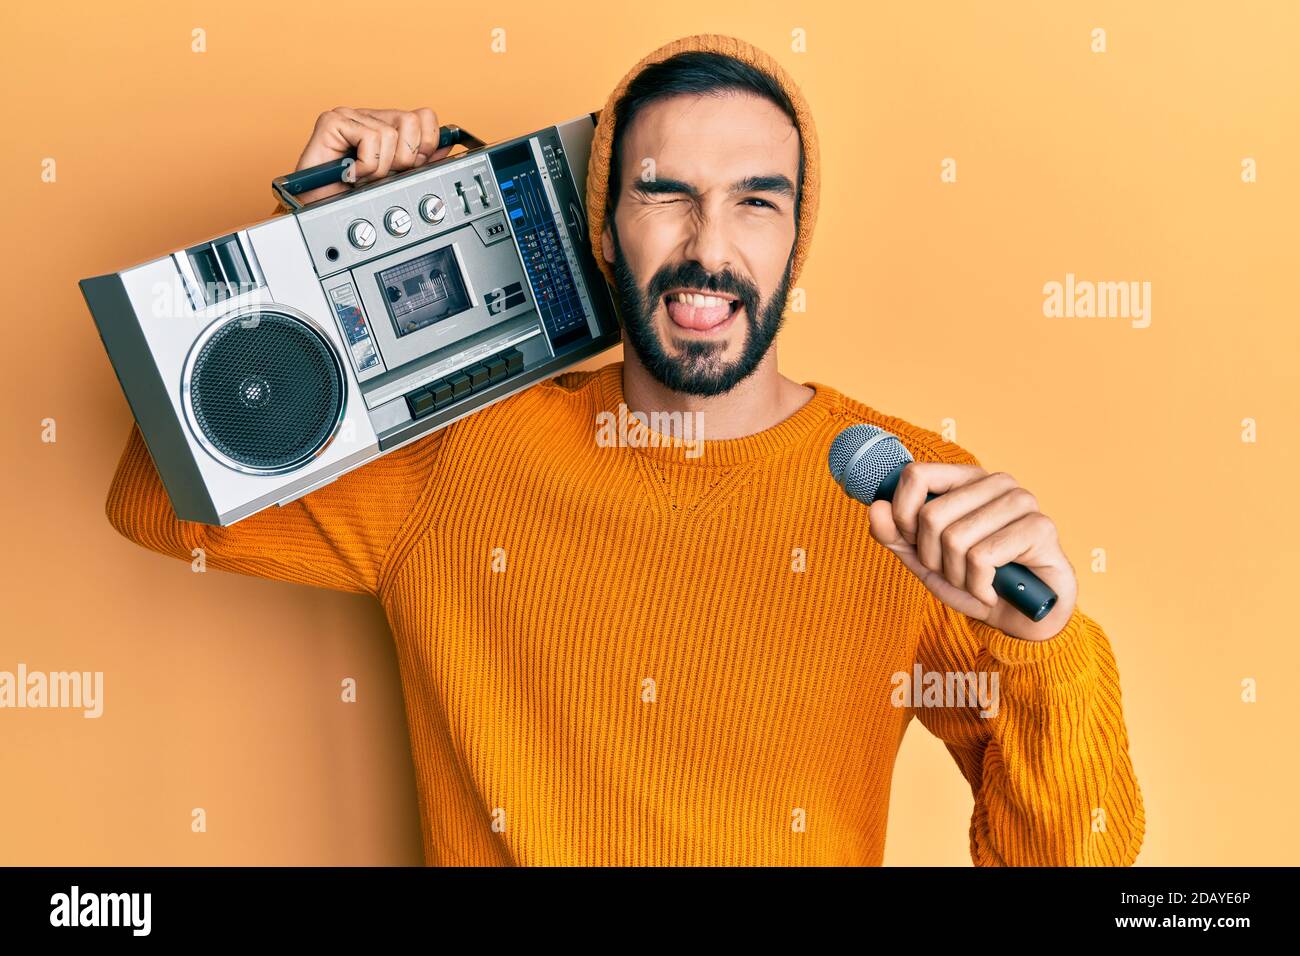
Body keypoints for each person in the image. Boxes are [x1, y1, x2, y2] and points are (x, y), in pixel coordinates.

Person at [105, 33, 1144, 865]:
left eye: (754, 201)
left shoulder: (908, 492)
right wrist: (297, 267)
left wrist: (1040, 650)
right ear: (600, 227)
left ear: (795, 237)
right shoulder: (460, 451)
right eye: (664, 193)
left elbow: (1075, 860)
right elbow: (164, 501)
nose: (708, 244)